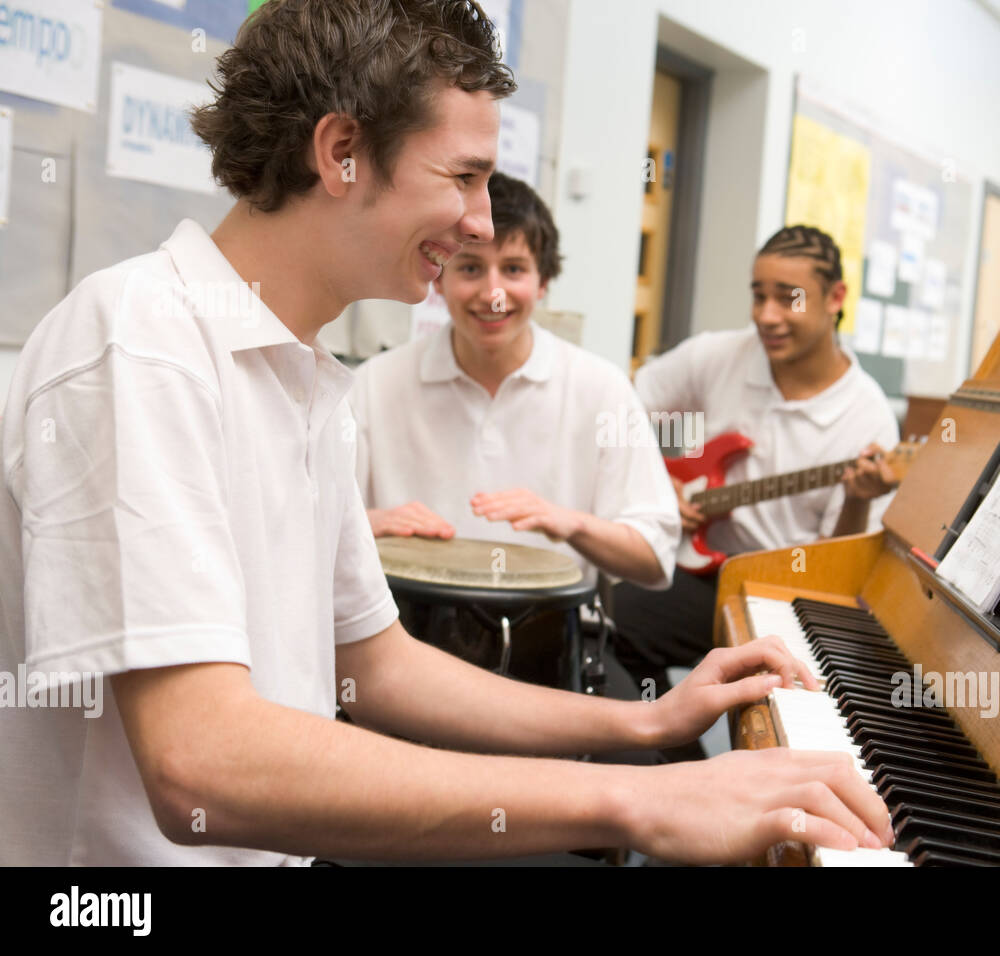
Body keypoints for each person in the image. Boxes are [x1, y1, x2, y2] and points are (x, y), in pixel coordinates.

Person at [0, 0, 891, 865]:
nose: (482, 220)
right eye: (461, 177)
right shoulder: (142, 342)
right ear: (342, 153)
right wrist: (644, 797)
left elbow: (381, 667)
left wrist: (643, 724)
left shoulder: (302, 377)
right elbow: (201, 766)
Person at [351, 172, 678, 683]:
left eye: (514, 269)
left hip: (552, 652)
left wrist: (570, 523)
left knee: (640, 753)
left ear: (544, 282)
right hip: (402, 654)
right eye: (471, 268)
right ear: (438, 277)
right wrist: (366, 522)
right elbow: (302, 528)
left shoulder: (600, 387)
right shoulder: (373, 384)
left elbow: (655, 559)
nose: (494, 293)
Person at [612, 225, 902, 709]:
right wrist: (660, 481)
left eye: (789, 299)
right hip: (704, 573)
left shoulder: (867, 418)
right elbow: (621, 409)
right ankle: (669, 754)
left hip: (786, 596)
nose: (767, 317)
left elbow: (836, 573)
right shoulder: (720, 354)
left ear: (835, 297)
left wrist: (855, 497)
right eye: (758, 296)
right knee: (614, 619)